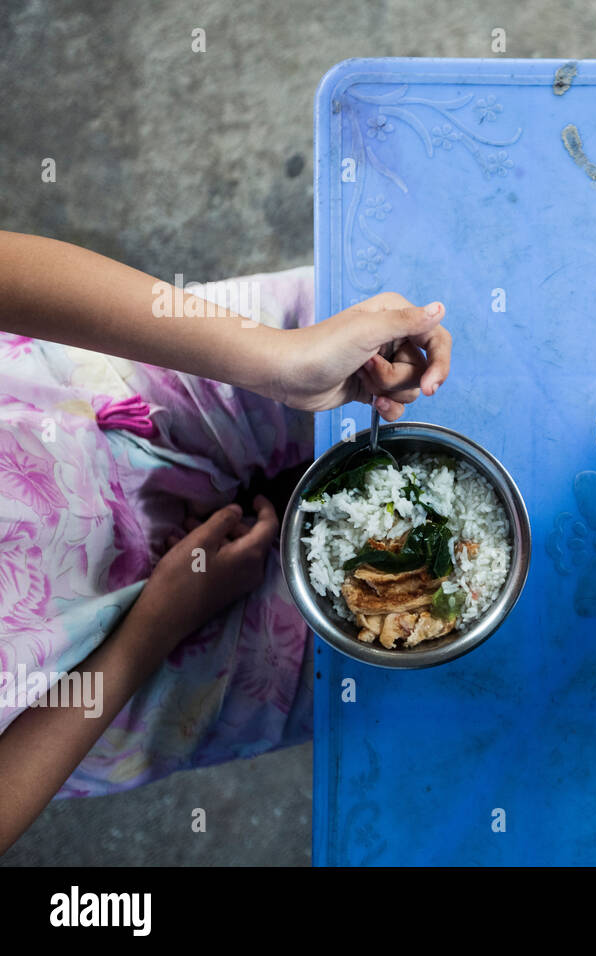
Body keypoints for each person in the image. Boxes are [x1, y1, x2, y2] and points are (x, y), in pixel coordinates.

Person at [0, 229, 451, 853]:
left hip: (72, 400)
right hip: (91, 680)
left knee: (396, 327)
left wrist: (280, 361)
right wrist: (154, 629)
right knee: (430, 671)